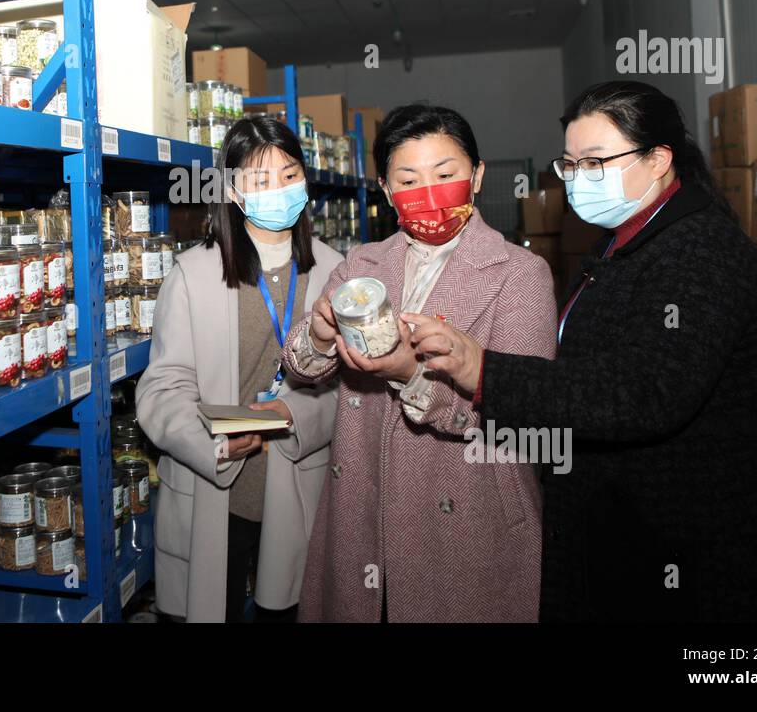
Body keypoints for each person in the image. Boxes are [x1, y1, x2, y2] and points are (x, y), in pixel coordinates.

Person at [413, 81, 757, 622]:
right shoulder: (627, 239)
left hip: (703, 557)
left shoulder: (700, 254)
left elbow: (645, 392)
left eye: (595, 161)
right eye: (570, 164)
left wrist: (484, 369)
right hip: (634, 536)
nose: (578, 179)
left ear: (658, 160)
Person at [281, 104, 558, 622]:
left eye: (446, 174)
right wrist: (318, 337)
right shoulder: (362, 263)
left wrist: (413, 377)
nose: (428, 192)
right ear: (386, 191)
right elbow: (300, 367)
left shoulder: (520, 274)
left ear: (476, 176)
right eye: (408, 179)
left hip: (468, 511)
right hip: (362, 506)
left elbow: (527, 411)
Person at [136, 116, 344, 623]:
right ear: (231, 189)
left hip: (298, 488)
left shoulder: (337, 270)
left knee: (289, 607)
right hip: (215, 488)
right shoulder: (193, 274)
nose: (279, 189)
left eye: (290, 174)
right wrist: (211, 442)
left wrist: (296, 414)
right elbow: (163, 389)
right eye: (259, 178)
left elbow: (352, 387)